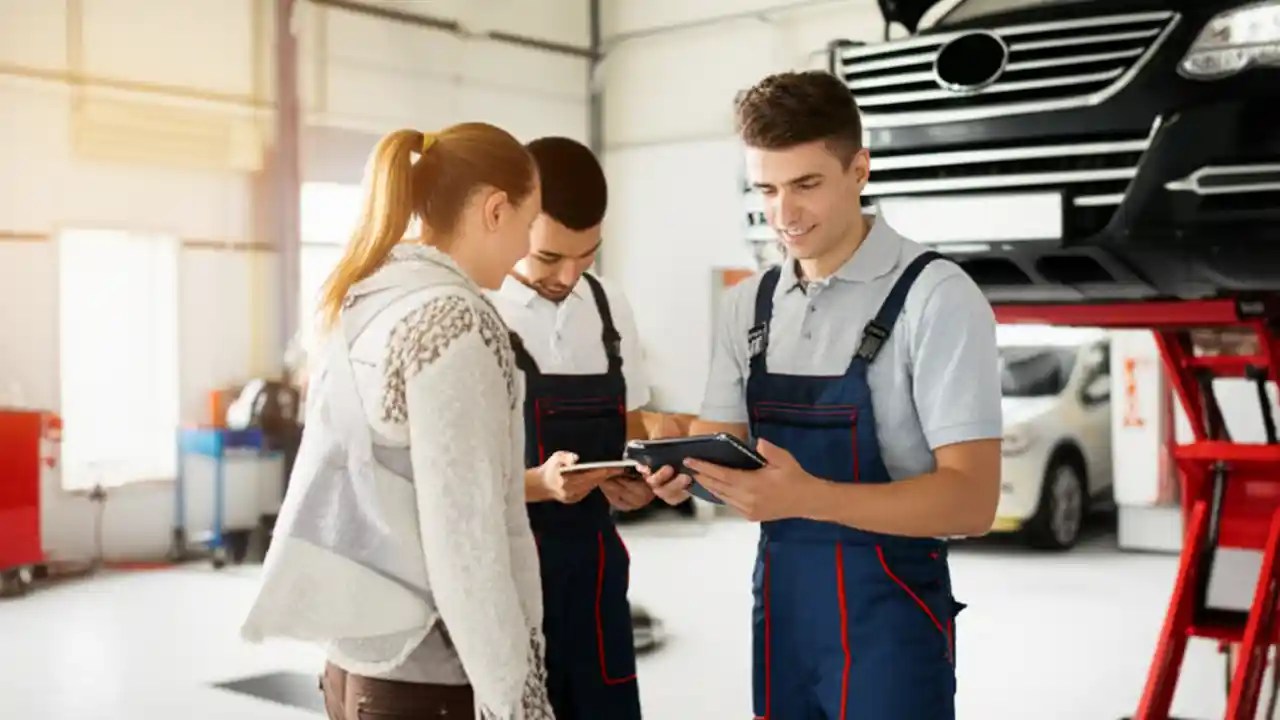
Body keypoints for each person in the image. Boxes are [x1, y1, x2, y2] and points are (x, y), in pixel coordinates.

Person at [642, 70, 1003, 720]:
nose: (784, 215)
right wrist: (679, 471)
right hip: (782, 615)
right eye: (766, 189)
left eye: (806, 185)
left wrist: (809, 497)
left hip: (891, 619)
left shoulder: (937, 296)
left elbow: (973, 501)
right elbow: (725, 453)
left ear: (859, 169)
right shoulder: (745, 307)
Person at [240, 122, 559, 720]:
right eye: (528, 221)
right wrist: (517, 702)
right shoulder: (456, 322)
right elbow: (465, 538)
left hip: (357, 667)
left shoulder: (365, 300)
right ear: (495, 209)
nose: (524, 246)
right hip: (429, 680)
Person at [487, 136, 653, 720]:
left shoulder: (609, 307)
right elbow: (440, 484)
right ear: (507, 217)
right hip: (505, 579)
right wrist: (537, 483)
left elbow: (630, 430)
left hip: (597, 575)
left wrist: (634, 481)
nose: (570, 274)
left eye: (587, 255)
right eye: (550, 257)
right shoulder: (477, 307)